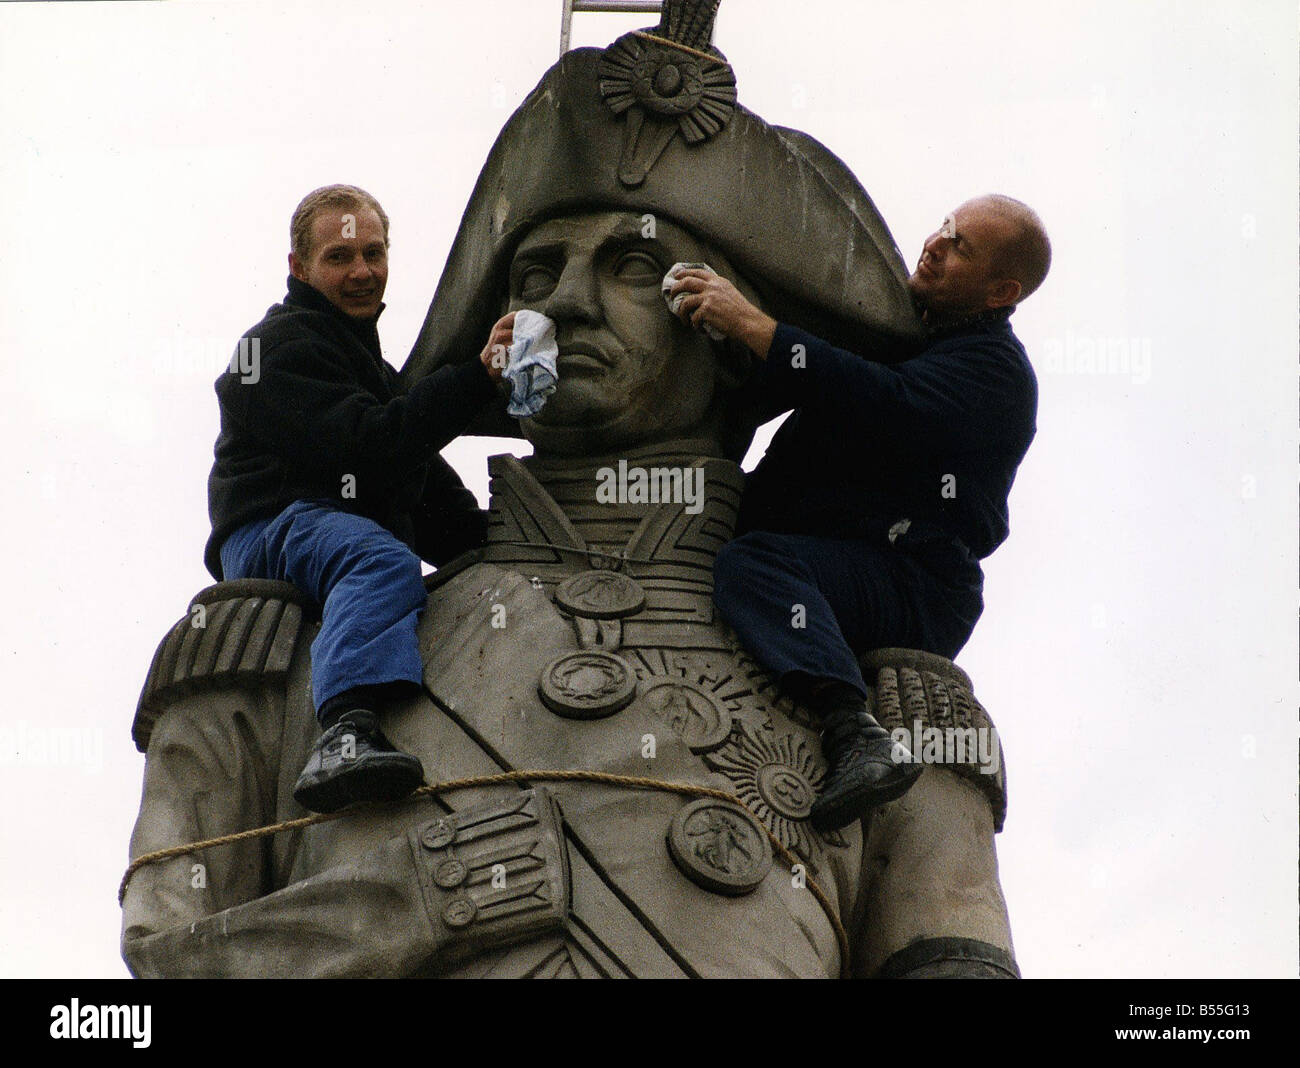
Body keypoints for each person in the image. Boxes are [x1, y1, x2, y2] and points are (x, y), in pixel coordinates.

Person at [669, 193, 1050, 832]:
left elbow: (883, 402)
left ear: (1000, 290)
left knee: (755, 563)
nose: (934, 243)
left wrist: (754, 324)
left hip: (911, 578)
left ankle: (856, 735)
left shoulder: (995, 371)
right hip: (835, 551)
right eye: (944, 228)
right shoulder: (893, 333)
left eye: (961, 247)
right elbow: (792, 379)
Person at [206, 183, 512, 813]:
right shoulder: (274, 349)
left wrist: (510, 538)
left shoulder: (372, 370)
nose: (362, 272)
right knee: (380, 561)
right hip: (271, 531)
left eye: (374, 254)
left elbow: (429, 498)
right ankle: (344, 730)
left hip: (333, 528)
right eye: (340, 258)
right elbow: (372, 448)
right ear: (299, 267)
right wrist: (476, 378)